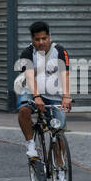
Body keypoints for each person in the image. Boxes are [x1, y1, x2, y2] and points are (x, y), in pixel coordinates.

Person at [16, 21, 72, 170]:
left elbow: (65, 74)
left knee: (59, 133)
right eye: (37, 39)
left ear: (49, 37)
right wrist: (36, 96)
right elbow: (29, 77)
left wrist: (66, 96)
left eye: (44, 38)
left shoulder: (60, 51)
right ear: (32, 40)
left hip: (54, 94)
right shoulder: (27, 53)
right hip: (31, 91)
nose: (41, 42)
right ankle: (31, 145)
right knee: (23, 110)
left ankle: (60, 168)